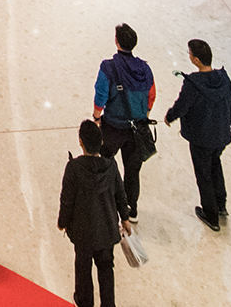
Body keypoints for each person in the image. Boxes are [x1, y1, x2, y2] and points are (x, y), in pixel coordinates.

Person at [162, 38, 231, 231]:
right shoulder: (223, 78)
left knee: (203, 175)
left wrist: (170, 116)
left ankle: (211, 215)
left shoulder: (193, 83)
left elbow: (182, 105)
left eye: (189, 53)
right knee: (215, 165)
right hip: (221, 136)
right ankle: (221, 205)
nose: (188, 55)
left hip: (201, 138)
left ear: (196, 60)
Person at [58, 119, 132, 307]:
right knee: (106, 268)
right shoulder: (111, 166)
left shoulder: (74, 168)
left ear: (80, 141)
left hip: (83, 232)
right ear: (101, 142)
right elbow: (120, 194)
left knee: (83, 268)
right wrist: (125, 218)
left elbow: (67, 200)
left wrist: (62, 221)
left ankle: (84, 301)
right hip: (107, 229)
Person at [93, 24, 157, 221]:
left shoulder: (108, 67)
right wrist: (143, 114)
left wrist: (96, 118)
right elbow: (151, 95)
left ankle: (108, 203)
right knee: (132, 170)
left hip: (113, 125)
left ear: (116, 41)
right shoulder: (145, 69)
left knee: (105, 161)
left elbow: (101, 95)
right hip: (137, 129)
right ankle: (131, 208)